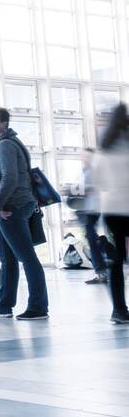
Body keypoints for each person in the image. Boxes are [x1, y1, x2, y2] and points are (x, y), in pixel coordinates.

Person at [0, 106, 49, 320]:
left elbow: (9, 177)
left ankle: (38, 306)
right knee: (7, 259)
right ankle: (3, 304)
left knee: (26, 257)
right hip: (5, 208)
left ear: (4, 124)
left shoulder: (5, 146)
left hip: (11, 208)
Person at [91, 103, 129, 324]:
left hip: (113, 210)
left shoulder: (104, 149)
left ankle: (118, 310)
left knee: (116, 262)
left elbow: (99, 182)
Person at [76, 149, 109, 285]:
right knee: (91, 238)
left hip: (93, 209)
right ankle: (106, 255)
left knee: (91, 239)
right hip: (85, 209)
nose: (84, 157)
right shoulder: (84, 171)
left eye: (87, 155)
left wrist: (86, 190)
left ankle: (101, 271)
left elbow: (103, 186)